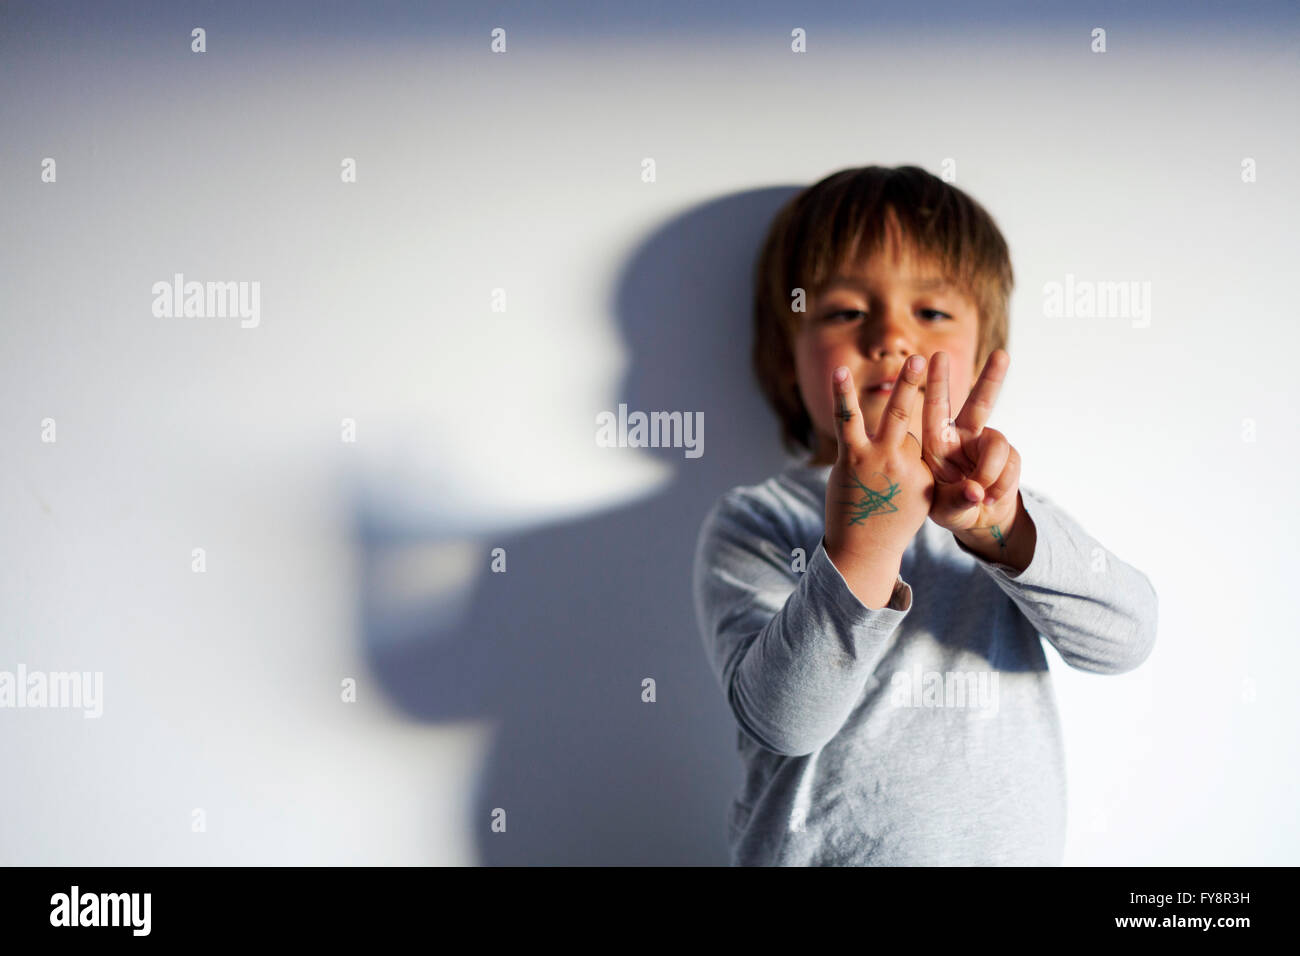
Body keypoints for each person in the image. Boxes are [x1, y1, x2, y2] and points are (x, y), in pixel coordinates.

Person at [692, 165, 1158, 865]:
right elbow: (784, 723)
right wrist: (863, 550)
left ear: (978, 352)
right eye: (846, 311)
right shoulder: (756, 521)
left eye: (932, 312)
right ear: (788, 360)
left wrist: (1004, 534)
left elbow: (1126, 640)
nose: (891, 336)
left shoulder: (998, 509)